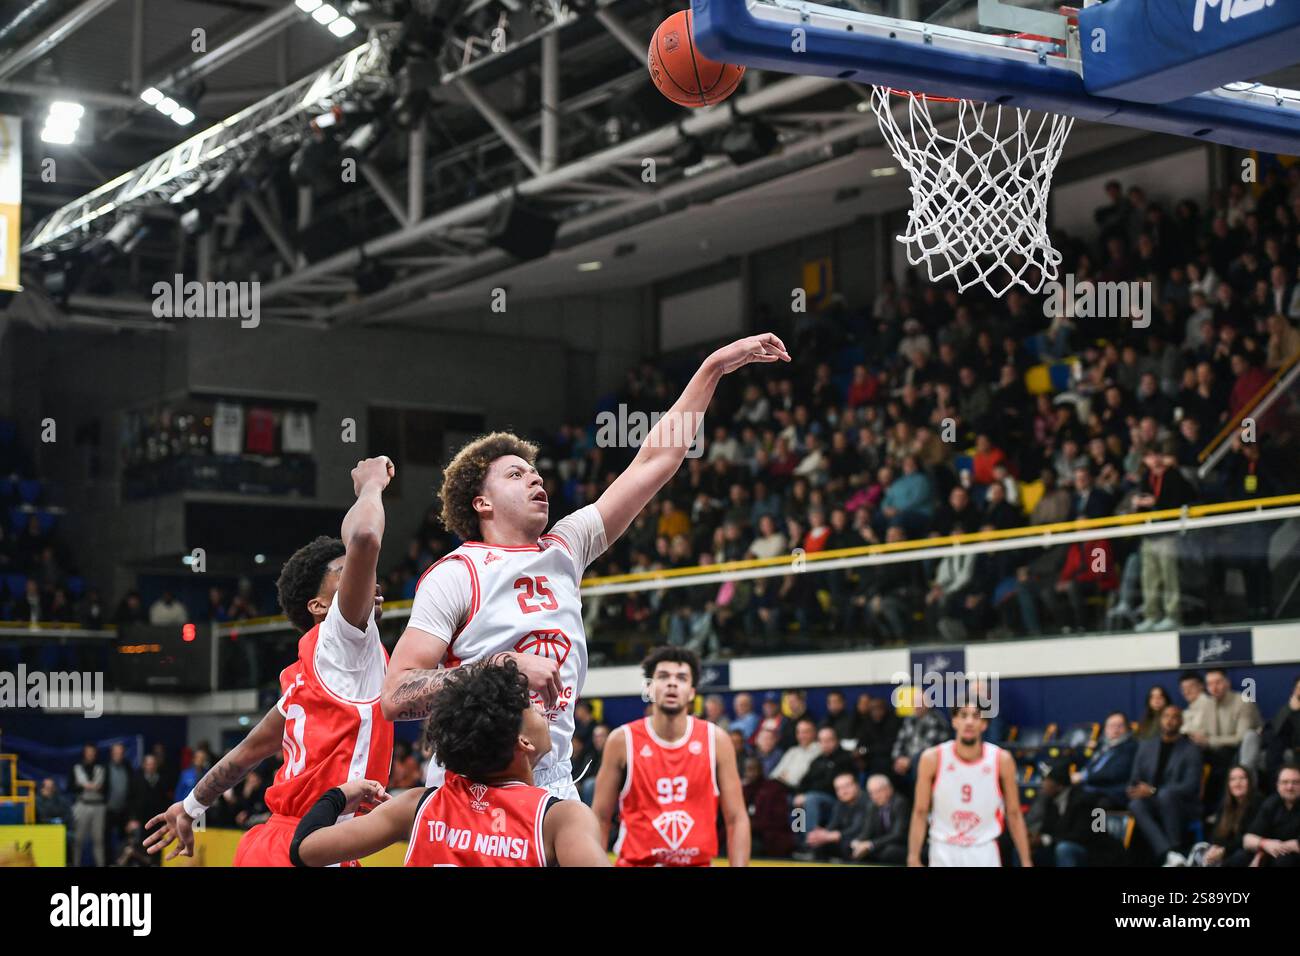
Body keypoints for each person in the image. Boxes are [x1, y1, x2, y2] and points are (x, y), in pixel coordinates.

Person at [381, 334, 791, 801]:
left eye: (534, 471)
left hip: (552, 780)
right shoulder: (455, 573)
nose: (535, 477)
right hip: (472, 781)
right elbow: (396, 696)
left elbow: (656, 459)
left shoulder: (565, 546)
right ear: (481, 503)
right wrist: (499, 668)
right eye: (515, 474)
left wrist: (713, 368)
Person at [146, 456, 397, 864]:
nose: (364, 577)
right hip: (312, 842)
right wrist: (370, 486)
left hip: (273, 843)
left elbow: (246, 753)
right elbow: (366, 536)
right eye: (345, 569)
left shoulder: (303, 676)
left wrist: (190, 806)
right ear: (319, 606)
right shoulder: (343, 638)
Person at [291, 660, 611, 867]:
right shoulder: (561, 817)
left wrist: (340, 796)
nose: (540, 708)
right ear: (523, 742)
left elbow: (304, 850)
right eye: (529, 705)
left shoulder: (419, 804)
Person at [592, 646, 749, 866]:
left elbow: (736, 818)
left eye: (682, 678)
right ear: (650, 687)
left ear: (692, 691)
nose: (672, 683)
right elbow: (600, 817)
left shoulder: (717, 740)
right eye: (663, 676)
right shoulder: (622, 740)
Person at [908, 703, 1032, 867]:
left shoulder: (1002, 760)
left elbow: (1014, 814)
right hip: (943, 848)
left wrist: (1026, 861)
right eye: (963, 715)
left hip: (984, 849)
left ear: (984, 724)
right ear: (954, 721)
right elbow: (920, 811)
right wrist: (913, 857)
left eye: (976, 716)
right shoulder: (932, 758)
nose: (969, 722)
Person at [1126, 704, 1204, 866]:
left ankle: (1173, 851)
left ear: (1181, 722)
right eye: (1166, 716)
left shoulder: (1191, 749)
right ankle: (1170, 853)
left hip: (1181, 804)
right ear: (1160, 720)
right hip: (1151, 802)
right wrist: (1133, 790)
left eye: (1175, 717)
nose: (1170, 721)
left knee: (1165, 795)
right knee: (1135, 804)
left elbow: (1191, 786)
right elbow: (1134, 779)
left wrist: (1154, 791)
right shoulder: (1146, 746)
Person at [1196, 765, 1261, 867]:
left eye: (1242, 778)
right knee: (1201, 853)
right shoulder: (1226, 805)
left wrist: (1224, 850)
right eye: (1233, 779)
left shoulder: (1258, 802)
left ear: (1250, 782)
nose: (1237, 783)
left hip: (1249, 852)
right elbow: (1216, 834)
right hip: (1228, 850)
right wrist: (1215, 848)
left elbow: (1247, 838)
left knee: (1238, 857)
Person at [1072, 711, 1138, 809]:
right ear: (1105, 729)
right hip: (1093, 788)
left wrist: (1084, 776)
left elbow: (1114, 773)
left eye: (1119, 726)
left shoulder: (1130, 747)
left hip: (1111, 791)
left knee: (1082, 800)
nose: (1115, 730)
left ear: (1127, 728)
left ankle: (1097, 825)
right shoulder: (1102, 746)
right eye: (1111, 726)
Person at [1238, 762, 1300, 867]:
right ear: (1278, 785)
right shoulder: (1271, 803)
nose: (1290, 787)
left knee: (1284, 861)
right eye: (1285, 782)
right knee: (1240, 857)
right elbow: (1247, 839)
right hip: (1273, 853)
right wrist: (1264, 844)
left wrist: (1283, 846)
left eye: (1295, 782)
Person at [804, 773, 870, 862]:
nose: (843, 791)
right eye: (838, 789)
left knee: (847, 846)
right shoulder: (840, 803)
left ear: (857, 785)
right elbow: (833, 824)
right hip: (845, 838)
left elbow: (858, 828)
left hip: (865, 839)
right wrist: (822, 833)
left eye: (847, 786)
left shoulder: (867, 801)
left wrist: (834, 835)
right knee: (819, 845)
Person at [849, 774, 909, 864]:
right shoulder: (872, 806)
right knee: (853, 849)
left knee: (889, 852)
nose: (874, 796)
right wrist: (858, 842)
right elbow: (867, 831)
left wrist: (871, 844)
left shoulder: (900, 803)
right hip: (881, 844)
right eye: (871, 793)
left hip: (901, 844)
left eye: (878, 791)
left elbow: (898, 835)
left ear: (889, 789)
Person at [71, 743, 106, 867]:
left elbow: (107, 788)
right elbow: (70, 787)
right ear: (84, 753)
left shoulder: (101, 768)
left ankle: (100, 864)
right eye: (88, 752)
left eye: (92, 752)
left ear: (95, 753)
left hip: (98, 806)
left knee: (98, 840)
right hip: (82, 804)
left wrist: (100, 788)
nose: (90, 754)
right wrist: (80, 785)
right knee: (78, 839)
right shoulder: (77, 768)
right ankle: (76, 864)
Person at [769, 716, 820, 790]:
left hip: (796, 790)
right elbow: (775, 774)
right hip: (779, 786)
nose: (801, 736)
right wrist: (780, 778)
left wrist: (786, 778)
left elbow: (800, 779)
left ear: (814, 733)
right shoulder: (792, 750)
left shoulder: (819, 751)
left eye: (805, 732)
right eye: (798, 732)